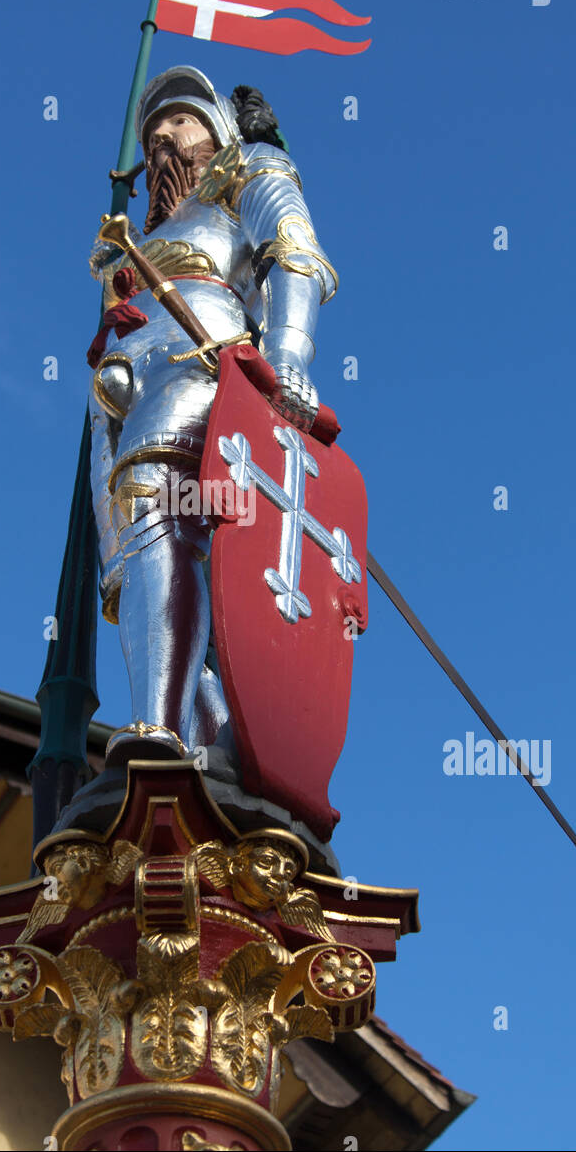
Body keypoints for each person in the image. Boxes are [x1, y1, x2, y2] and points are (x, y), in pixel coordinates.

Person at [88, 66, 338, 767]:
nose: (164, 135)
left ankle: (156, 731)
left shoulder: (245, 175)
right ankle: (216, 742)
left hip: (202, 362)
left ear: (219, 132)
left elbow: (294, 254)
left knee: (164, 509)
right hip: (123, 390)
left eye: (182, 118)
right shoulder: (135, 239)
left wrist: (288, 357)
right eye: (154, 127)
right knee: (140, 548)